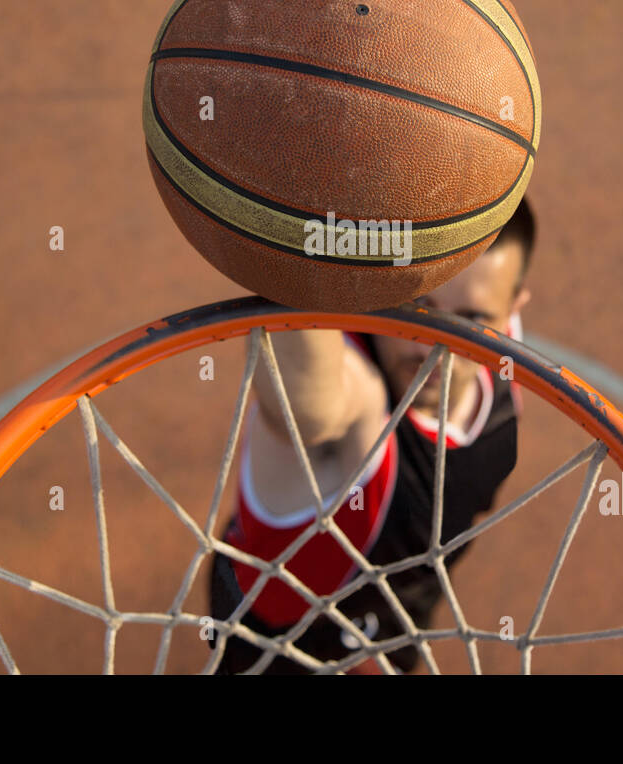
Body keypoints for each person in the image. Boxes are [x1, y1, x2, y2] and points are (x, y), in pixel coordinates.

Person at [208, 197, 536, 673]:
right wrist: (288, 216)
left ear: (512, 310)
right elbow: (308, 406)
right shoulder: (357, 400)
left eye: (470, 321)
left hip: (398, 620)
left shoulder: (497, 350)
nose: (437, 348)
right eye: (418, 308)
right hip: (278, 651)